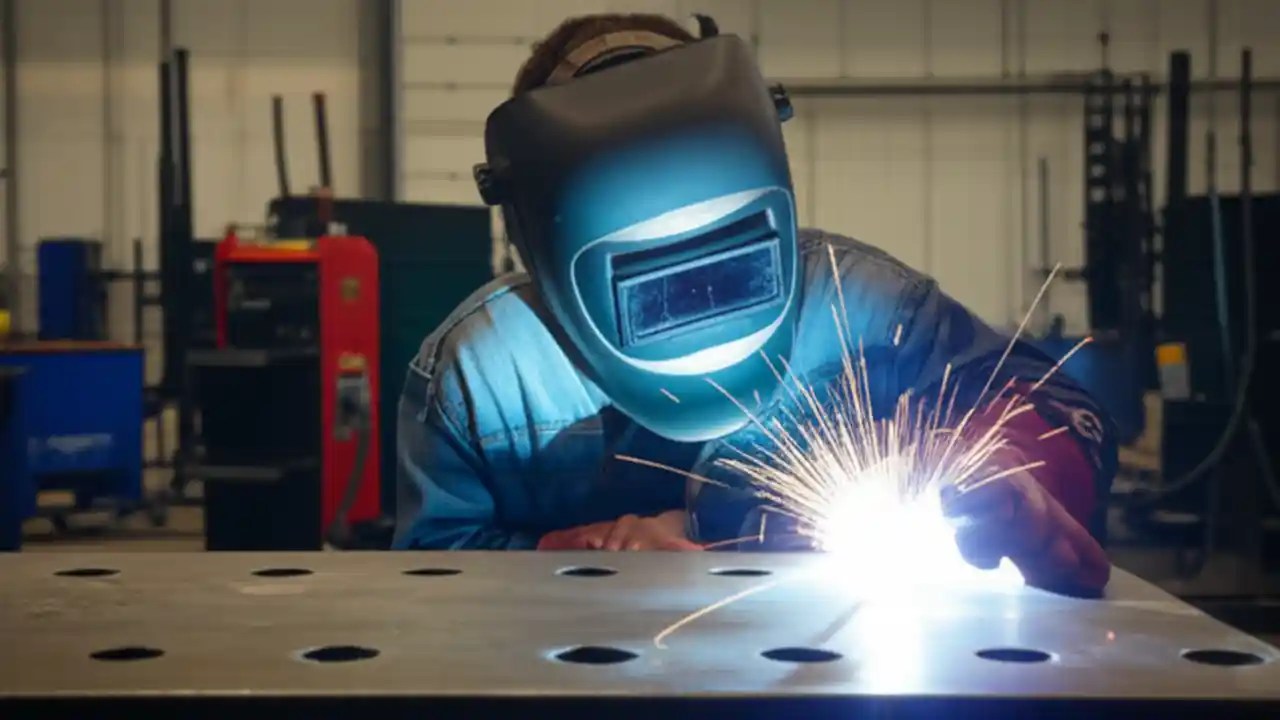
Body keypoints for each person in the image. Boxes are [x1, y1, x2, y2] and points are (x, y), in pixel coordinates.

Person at [393, 12, 1116, 596]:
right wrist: (576, 556)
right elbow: (433, 573)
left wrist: (1013, 470)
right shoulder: (488, 376)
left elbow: (1058, 406)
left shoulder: (854, 304)